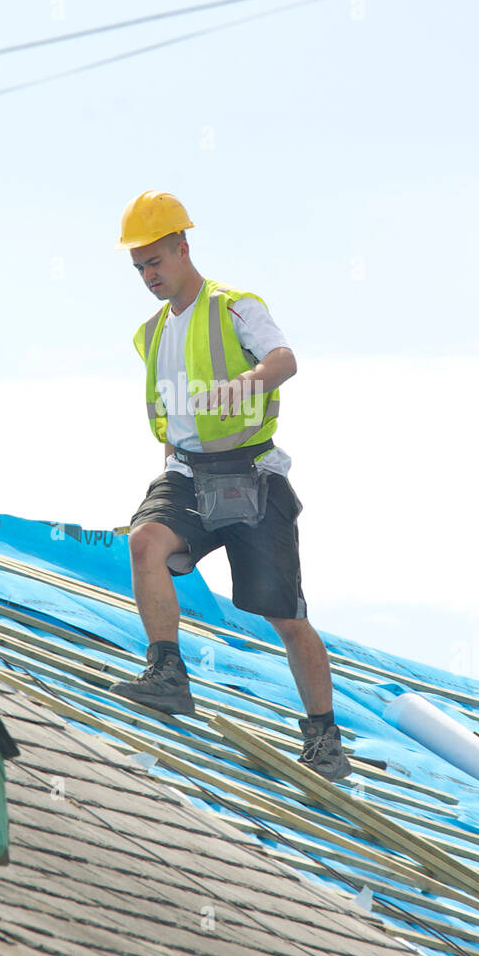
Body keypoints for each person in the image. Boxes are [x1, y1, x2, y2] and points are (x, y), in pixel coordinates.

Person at [111, 189, 352, 782]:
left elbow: (284, 360)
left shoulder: (233, 306)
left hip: (252, 478)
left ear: (182, 247)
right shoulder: (149, 334)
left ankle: (324, 738)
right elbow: (171, 417)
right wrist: (171, 464)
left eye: (156, 261)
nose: (148, 275)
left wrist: (249, 381)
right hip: (189, 473)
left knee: (285, 617)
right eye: (138, 266)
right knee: (145, 542)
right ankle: (167, 672)